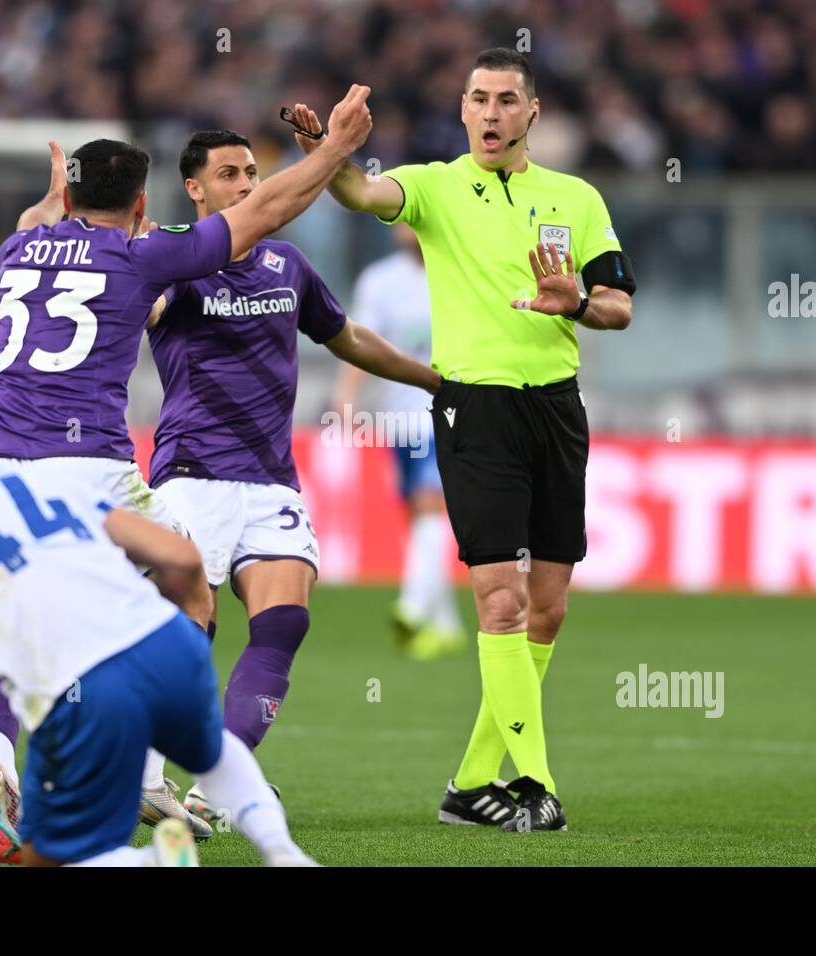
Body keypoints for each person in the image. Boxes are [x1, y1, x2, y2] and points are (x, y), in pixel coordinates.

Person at [0, 86, 375, 859]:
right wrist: (332, 150)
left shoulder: (17, 249)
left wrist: (52, 203)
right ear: (146, 201)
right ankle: (163, 766)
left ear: (69, 196)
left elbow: (33, 223)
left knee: (17, 625)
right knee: (186, 580)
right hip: (85, 469)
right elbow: (264, 214)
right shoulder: (140, 254)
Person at [289, 49, 636, 831]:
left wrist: (574, 300)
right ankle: (536, 786)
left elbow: (618, 306)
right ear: (463, 109)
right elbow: (358, 190)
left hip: (556, 409)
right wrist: (329, 150)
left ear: (532, 113)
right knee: (500, 597)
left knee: (547, 609)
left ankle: (470, 786)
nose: (489, 113)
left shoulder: (575, 199)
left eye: (506, 100)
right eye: (477, 98)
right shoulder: (434, 186)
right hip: (473, 408)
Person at [0, 387, 315, 867]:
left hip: (78, 685)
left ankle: (155, 861)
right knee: (212, 751)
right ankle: (284, 853)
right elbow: (179, 556)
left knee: (43, 861)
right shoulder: (36, 483)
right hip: (165, 639)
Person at [142, 130, 440, 822]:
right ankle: (145, 775)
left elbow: (351, 338)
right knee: (190, 624)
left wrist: (438, 382)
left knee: (284, 625)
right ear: (196, 189)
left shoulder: (287, 263)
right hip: (192, 473)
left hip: (271, 479)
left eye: (252, 172)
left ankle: (222, 777)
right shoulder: (175, 258)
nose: (245, 184)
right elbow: (144, 310)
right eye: (228, 174)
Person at [329, 223, 465, 661]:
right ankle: (446, 625)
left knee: (429, 503)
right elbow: (358, 340)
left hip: (450, 414)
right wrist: (346, 395)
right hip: (398, 417)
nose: (404, 227)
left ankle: (411, 606)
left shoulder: (461, 271)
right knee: (419, 515)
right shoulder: (380, 280)